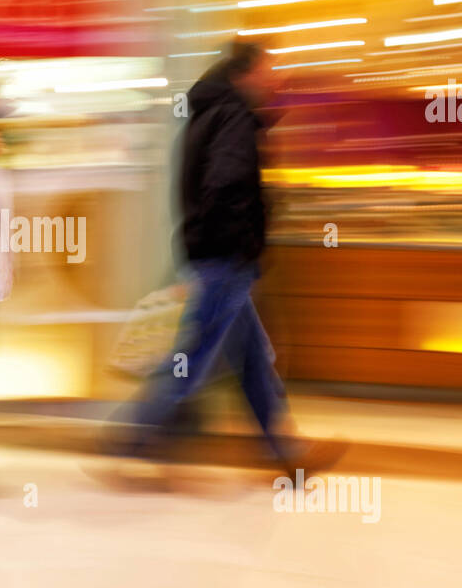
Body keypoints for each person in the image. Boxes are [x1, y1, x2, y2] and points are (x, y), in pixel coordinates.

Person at [108, 40, 311, 480]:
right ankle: (131, 436)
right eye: (268, 68)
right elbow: (226, 187)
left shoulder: (210, 113)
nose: (275, 77)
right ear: (245, 73)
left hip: (217, 254)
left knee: (252, 357)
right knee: (193, 357)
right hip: (225, 257)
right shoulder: (233, 116)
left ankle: (283, 450)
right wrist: (245, 243)